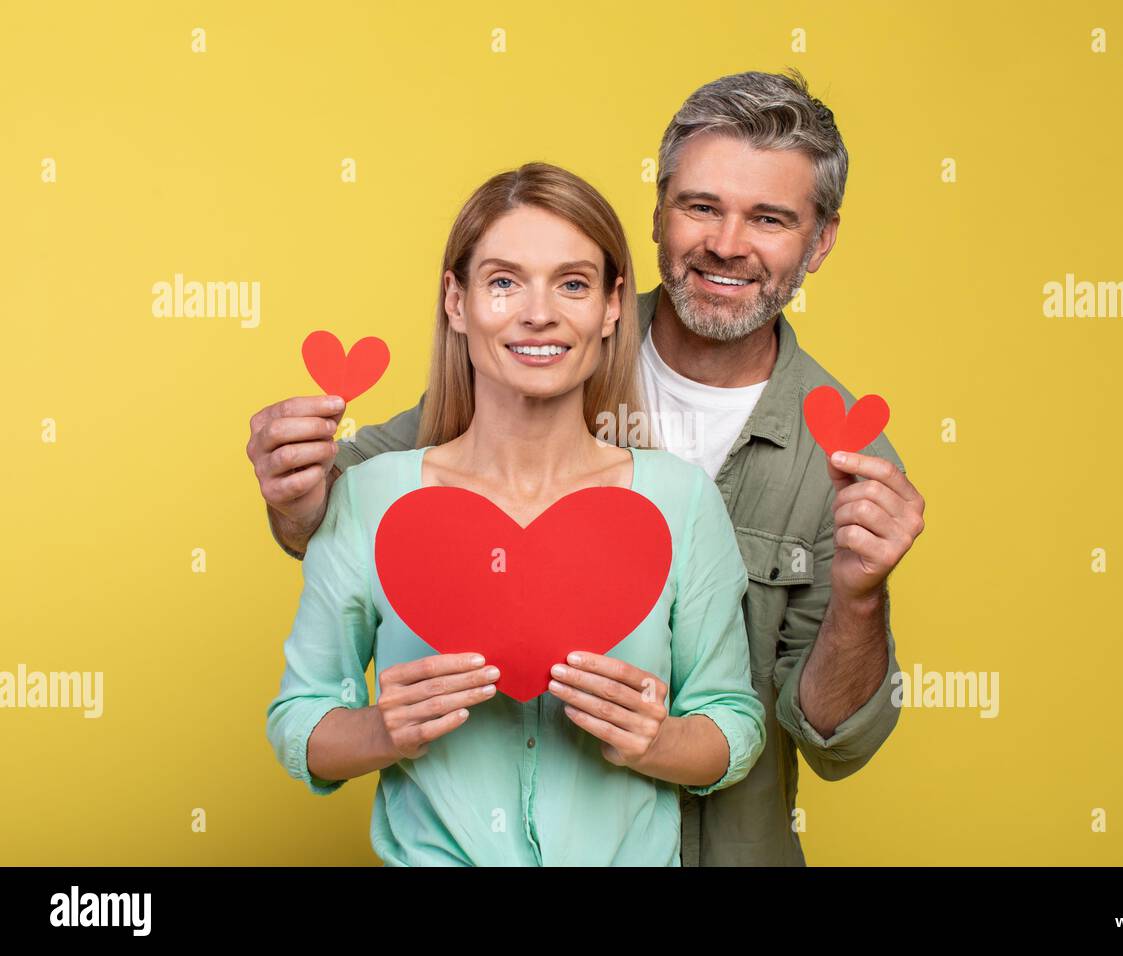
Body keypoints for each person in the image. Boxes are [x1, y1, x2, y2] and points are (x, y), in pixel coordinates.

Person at [249, 69, 926, 866]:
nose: (727, 243)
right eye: (701, 205)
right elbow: (351, 509)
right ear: (659, 213)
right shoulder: (534, 354)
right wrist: (295, 498)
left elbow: (830, 742)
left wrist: (859, 592)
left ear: (820, 240)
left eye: (769, 218)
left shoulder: (841, 462)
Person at [265, 163, 766, 866]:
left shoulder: (680, 503)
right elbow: (300, 719)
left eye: (572, 283)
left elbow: (732, 725)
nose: (539, 313)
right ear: (457, 301)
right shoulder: (371, 496)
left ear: (612, 306)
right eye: (503, 281)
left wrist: (655, 741)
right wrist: (387, 731)